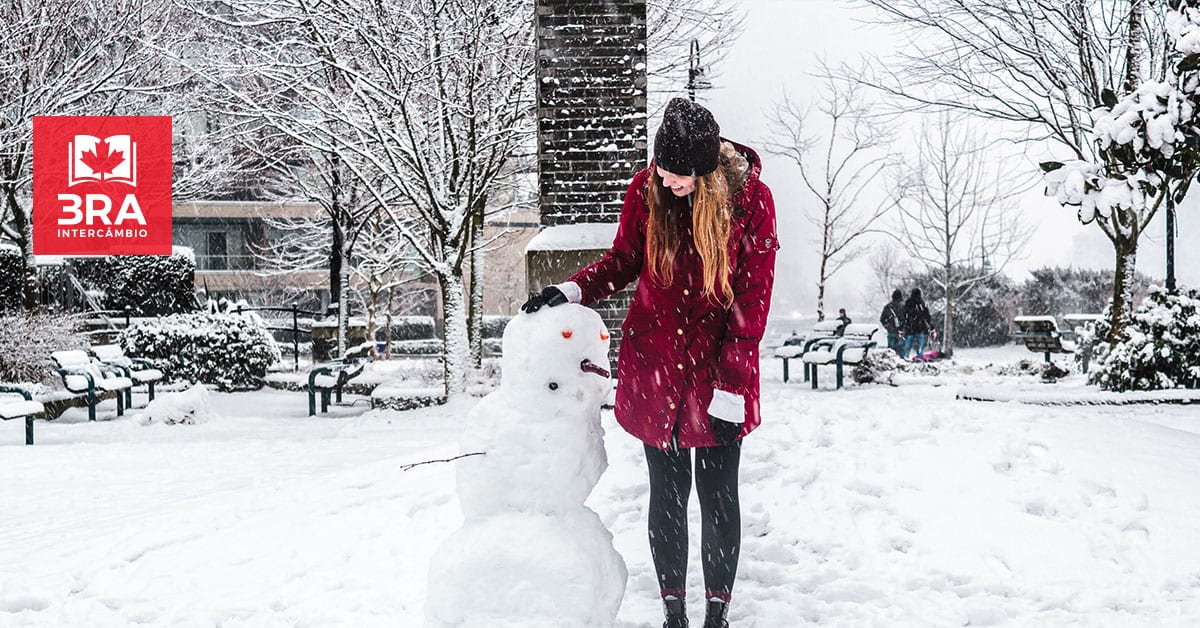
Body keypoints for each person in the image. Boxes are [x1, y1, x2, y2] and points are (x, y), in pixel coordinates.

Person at [521, 97, 778, 628]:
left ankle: (717, 612)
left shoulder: (751, 202)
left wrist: (730, 386)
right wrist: (573, 288)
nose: (669, 181)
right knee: (666, 493)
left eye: (681, 175)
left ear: (707, 173)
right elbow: (624, 261)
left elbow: (752, 303)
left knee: (718, 496)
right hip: (655, 369)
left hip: (715, 375)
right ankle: (673, 611)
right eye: (663, 168)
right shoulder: (646, 190)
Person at [901, 288, 932, 361]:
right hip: (920, 328)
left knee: (908, 345)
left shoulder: (908, 303)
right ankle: (919, 357)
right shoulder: (921, 303)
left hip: (910, 328)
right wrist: (929, 326)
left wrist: (904, 325)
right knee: (920, 345)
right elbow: (926, 315)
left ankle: (906, 357)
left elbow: (904, 315)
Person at [878, 289, 904, 354]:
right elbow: (906, 319)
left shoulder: (887, 307)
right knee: (901, 350)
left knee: (891, 351)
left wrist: (887, 326)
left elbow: (882, 319)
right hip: (900, 332)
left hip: (891, 331)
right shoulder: (903, 307)